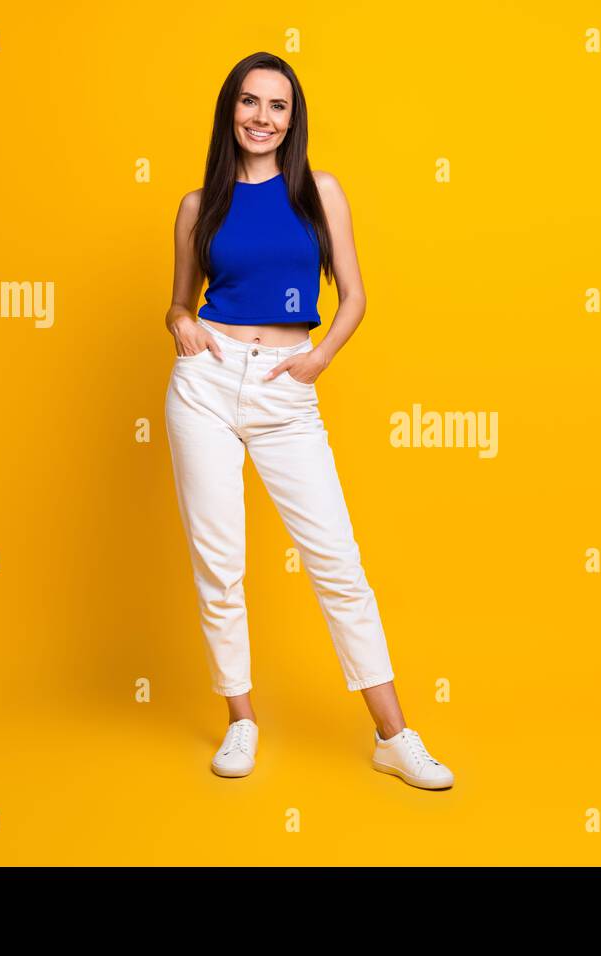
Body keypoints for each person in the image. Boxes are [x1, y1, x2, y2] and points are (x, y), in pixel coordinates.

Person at [163, 52, 453, 790]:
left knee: (337, 562)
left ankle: (395, 734)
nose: (263, 118)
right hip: (206, 384)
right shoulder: (199, 206)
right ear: (230, 111)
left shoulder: (320, 193)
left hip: (286, 388)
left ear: (294, 119)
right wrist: (179, 323)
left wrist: (317, 359)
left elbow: (354, 294)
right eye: (249, 103)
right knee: (219, 563)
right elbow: (179, 300)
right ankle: (241, 721)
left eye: (278, 106)